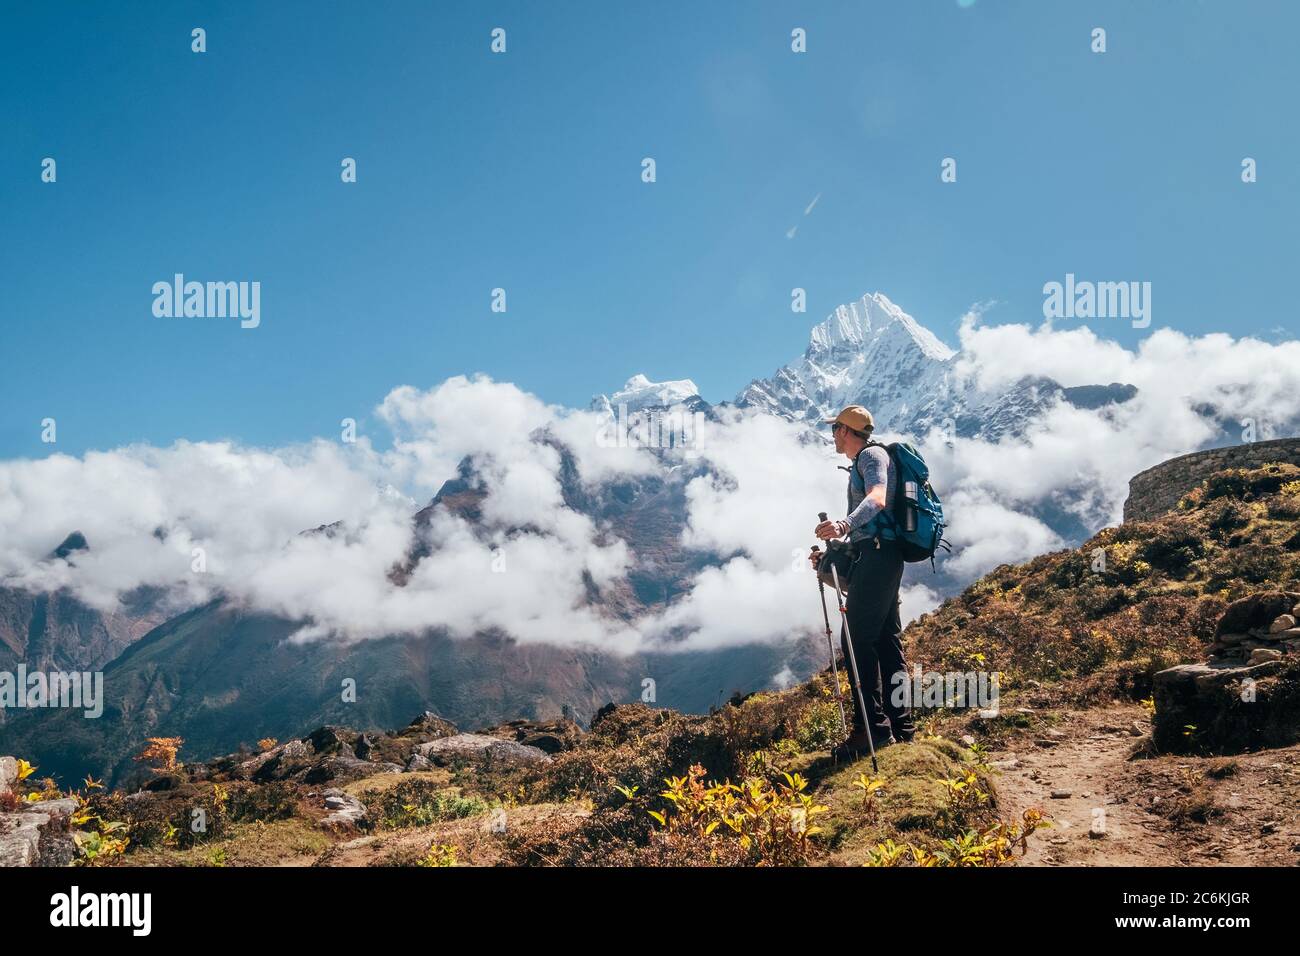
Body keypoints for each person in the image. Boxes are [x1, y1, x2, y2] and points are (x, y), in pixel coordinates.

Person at [812, 405, 916, 760]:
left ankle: (872, 729)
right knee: (886, 641)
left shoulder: (871, 456)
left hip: (879, 556)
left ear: (845, 431)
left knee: (856, 640)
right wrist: (834, 554)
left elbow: (877, 498)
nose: (833, 437)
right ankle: (901, 727)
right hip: (881, 555)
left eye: (835, 430)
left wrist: (842, 525)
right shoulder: (868, 459)